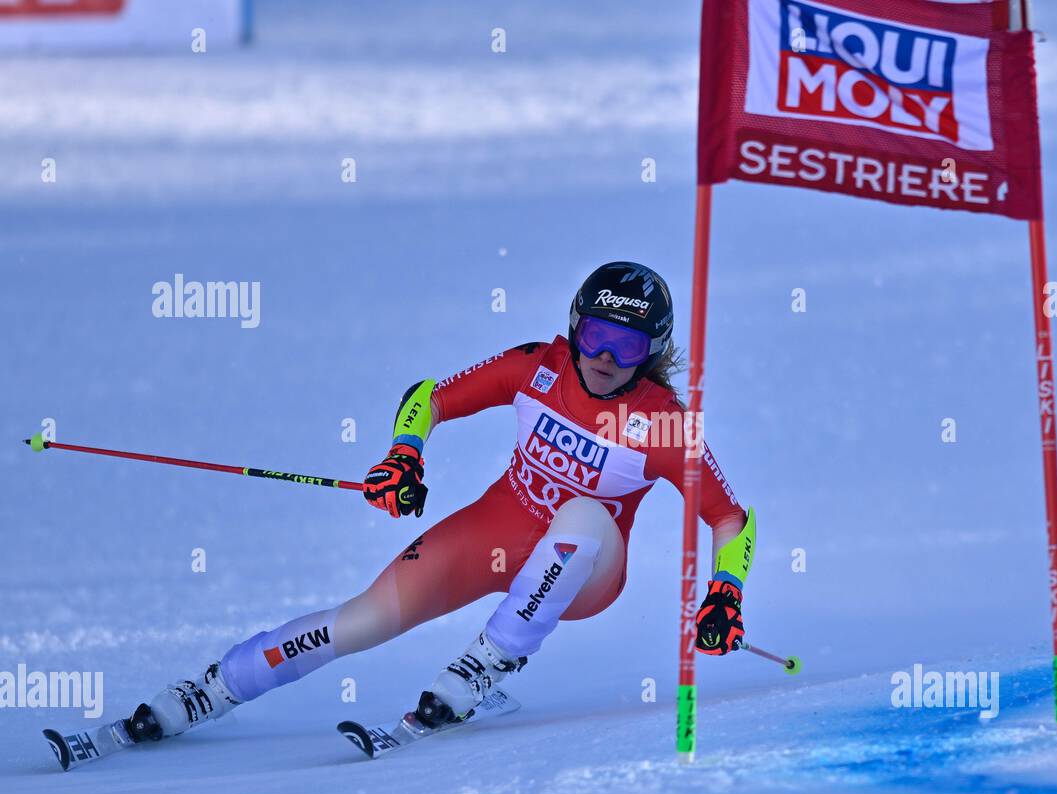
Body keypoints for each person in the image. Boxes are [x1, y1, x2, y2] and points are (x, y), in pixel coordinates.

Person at [125, 261, 757, 742]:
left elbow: (731, 518)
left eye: (626, 347)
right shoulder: (539, 366)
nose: (603, 358)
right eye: (594, 334)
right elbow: (430, 396)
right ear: (573, 326)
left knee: (585, 513)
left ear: (652, 354)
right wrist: (405, 453)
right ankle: (212, 689)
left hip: (589, 570)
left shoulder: (664, 422)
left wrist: (725, 591)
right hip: (497, 532)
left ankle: (487, 664)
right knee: (364, 618)